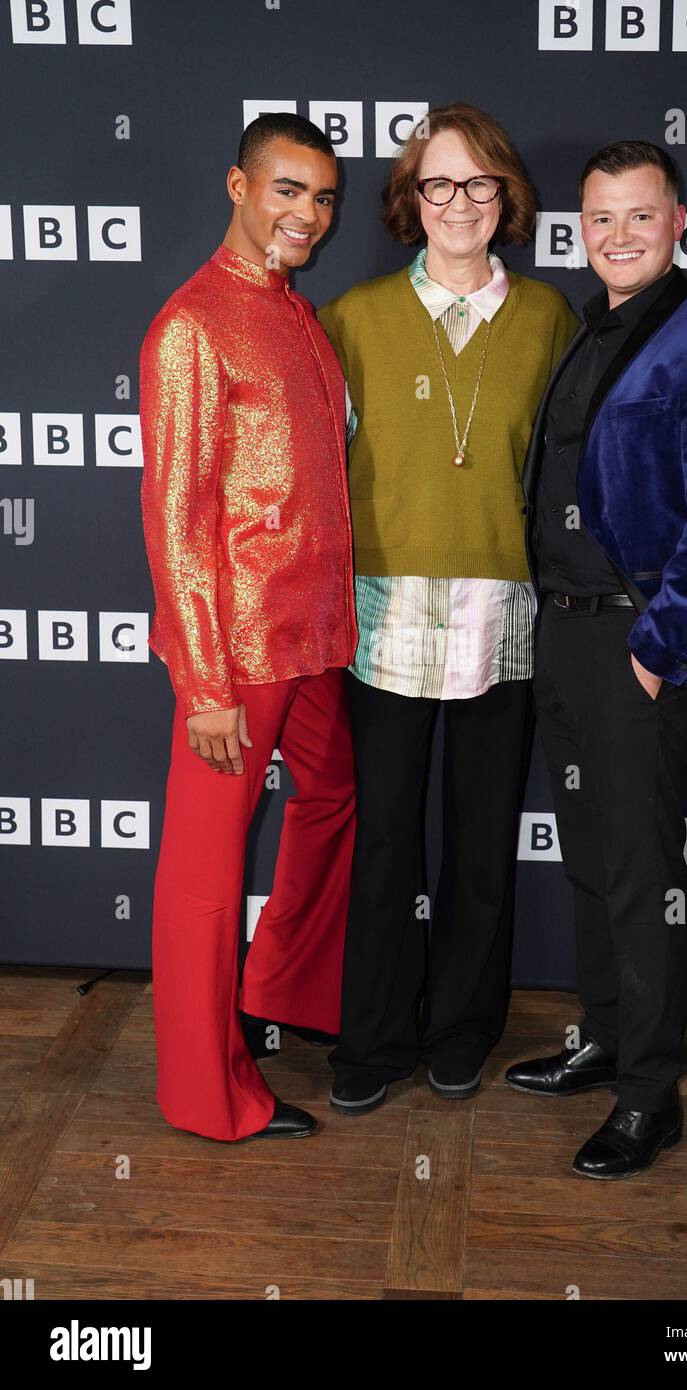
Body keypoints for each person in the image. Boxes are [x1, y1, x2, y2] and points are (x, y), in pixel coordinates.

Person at [507, 140, 687, 1179]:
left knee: (641, 876)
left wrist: (656, 652)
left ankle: (650, 1092)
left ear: (678, 224)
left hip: (640, 645)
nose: (617, 236)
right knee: (590, 861)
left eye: (639, 216)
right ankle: (607, 1035)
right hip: (565, 635)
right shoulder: (589, 333)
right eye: (599, 219)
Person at [317, 102, 578, 1116]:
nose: (458, 202)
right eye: (438, 184)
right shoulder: (355, 317)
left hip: (503, 609)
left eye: (479, 184)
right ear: (410, 200)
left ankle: (462, 1027)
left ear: (506, 197)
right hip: (381, 608)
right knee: (384, 836)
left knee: (480, 839)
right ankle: (373, 1036)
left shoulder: (553, 318)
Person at [139, 113, 358, 1142]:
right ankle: (204, 1092)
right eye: (286, 190)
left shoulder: (297, 314)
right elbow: (176, 519)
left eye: (320, 198)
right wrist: (205, 682)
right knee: (202, 866)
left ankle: (280, 991)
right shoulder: (191, 325)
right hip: (237, 646)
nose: (304, 215)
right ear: (237, 185)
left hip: (318, 634)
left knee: (336, 802)